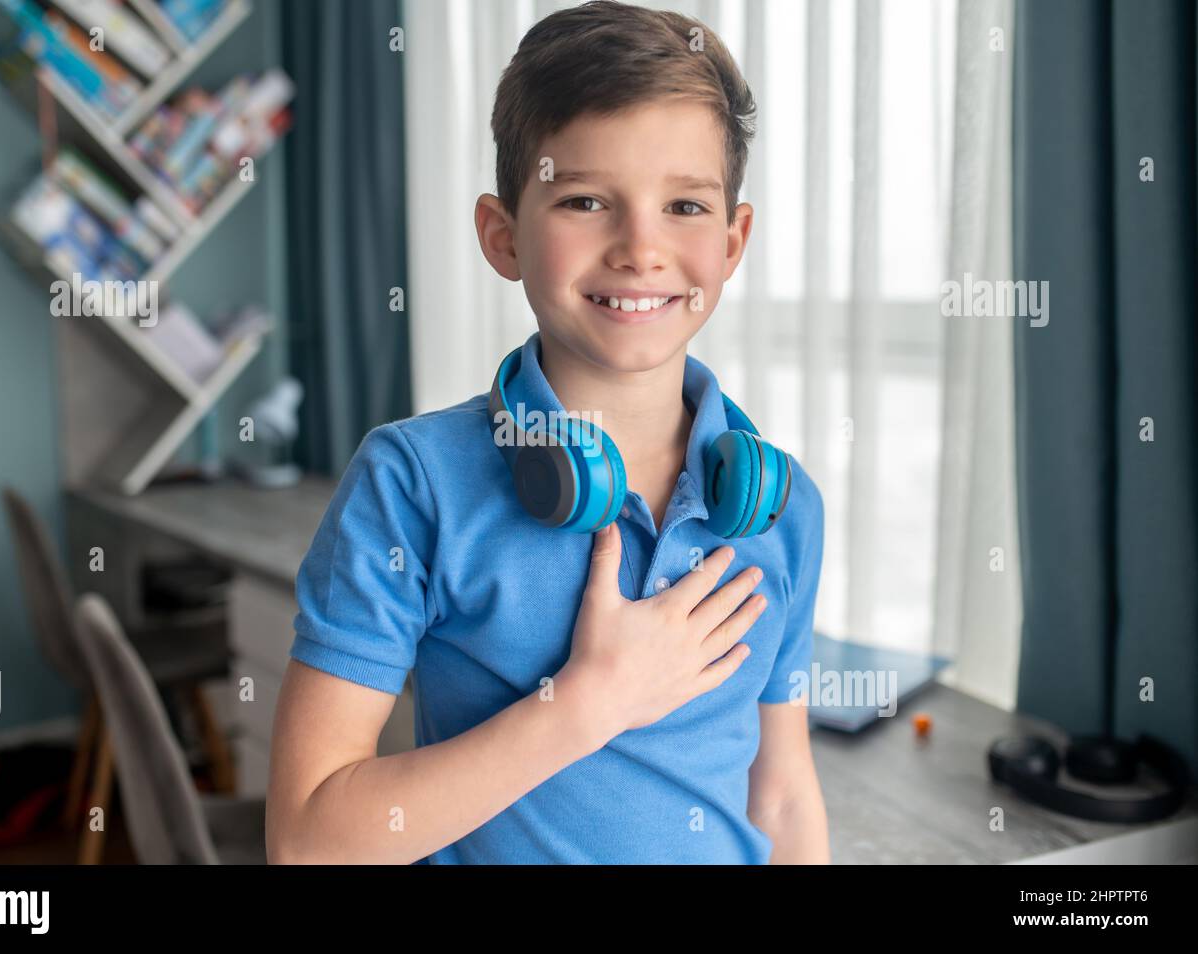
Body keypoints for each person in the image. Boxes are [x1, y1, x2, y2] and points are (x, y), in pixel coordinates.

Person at [267, 0, 829, 864]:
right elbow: (309, 842)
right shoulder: (412, 482)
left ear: (732, 239)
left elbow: (784, 797)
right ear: (503, 236)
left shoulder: (780, 506)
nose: (641, 249)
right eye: (586, 200)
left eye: (684, 205)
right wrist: (586, 705)